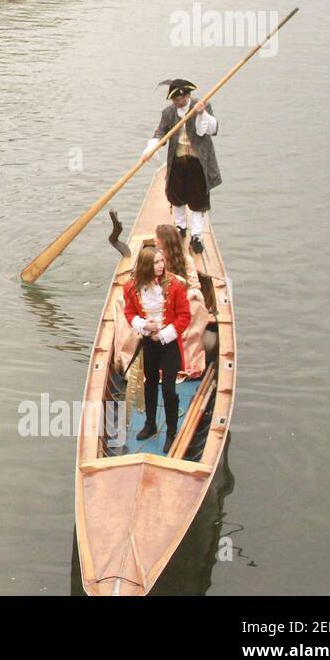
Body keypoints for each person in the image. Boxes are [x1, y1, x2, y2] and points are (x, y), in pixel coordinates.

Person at [123, 244, 191, 452]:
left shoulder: (176, 286)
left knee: (169, 389)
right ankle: (150, 424)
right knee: (150, 384)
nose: (161, 265)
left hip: (168, 345)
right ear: (145, 265)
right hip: (148, 344)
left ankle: (171, 432)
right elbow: (129, 313)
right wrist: (143, 326)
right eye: (156, 262)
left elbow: (185, 317)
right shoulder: (130, 287)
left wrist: (162, 334)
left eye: (162, 261)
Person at [142, 78, 220, 254]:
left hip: (198, 161)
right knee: (176, 195)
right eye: (174, 100)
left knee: (198, 200)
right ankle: (180, 228)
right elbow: (161, 132)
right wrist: (151, 147)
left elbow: (211, 130)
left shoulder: (203, 105)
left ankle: (197, 236)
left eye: (179, 99)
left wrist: (201, 114)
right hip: (178, 160)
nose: (176, 103)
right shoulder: (169, 113)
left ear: (187, 96)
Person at [155, 223, 211, 380]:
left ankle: (187, 361)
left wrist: (180, 298)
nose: (154, 239)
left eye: (157, 237)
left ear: (165, 241)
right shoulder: (156, 259)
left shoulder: (186, 260)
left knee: (196, 308)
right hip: (160, 300)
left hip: (182, 300)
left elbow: (194, 286)